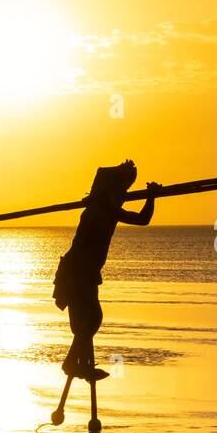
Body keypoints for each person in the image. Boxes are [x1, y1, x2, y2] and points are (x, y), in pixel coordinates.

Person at [53, 161, 159, 381]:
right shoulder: (100, 212)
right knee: (90, 320)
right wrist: (151, 195)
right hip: (78, 273)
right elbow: (141, 219)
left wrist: (150, 196)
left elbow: (141, 219)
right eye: (122, 189)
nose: (124, 194)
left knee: (86, 323)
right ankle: (72, 363)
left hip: (83, 273)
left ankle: (75, 363)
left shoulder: (104, 210)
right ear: (110, 191)